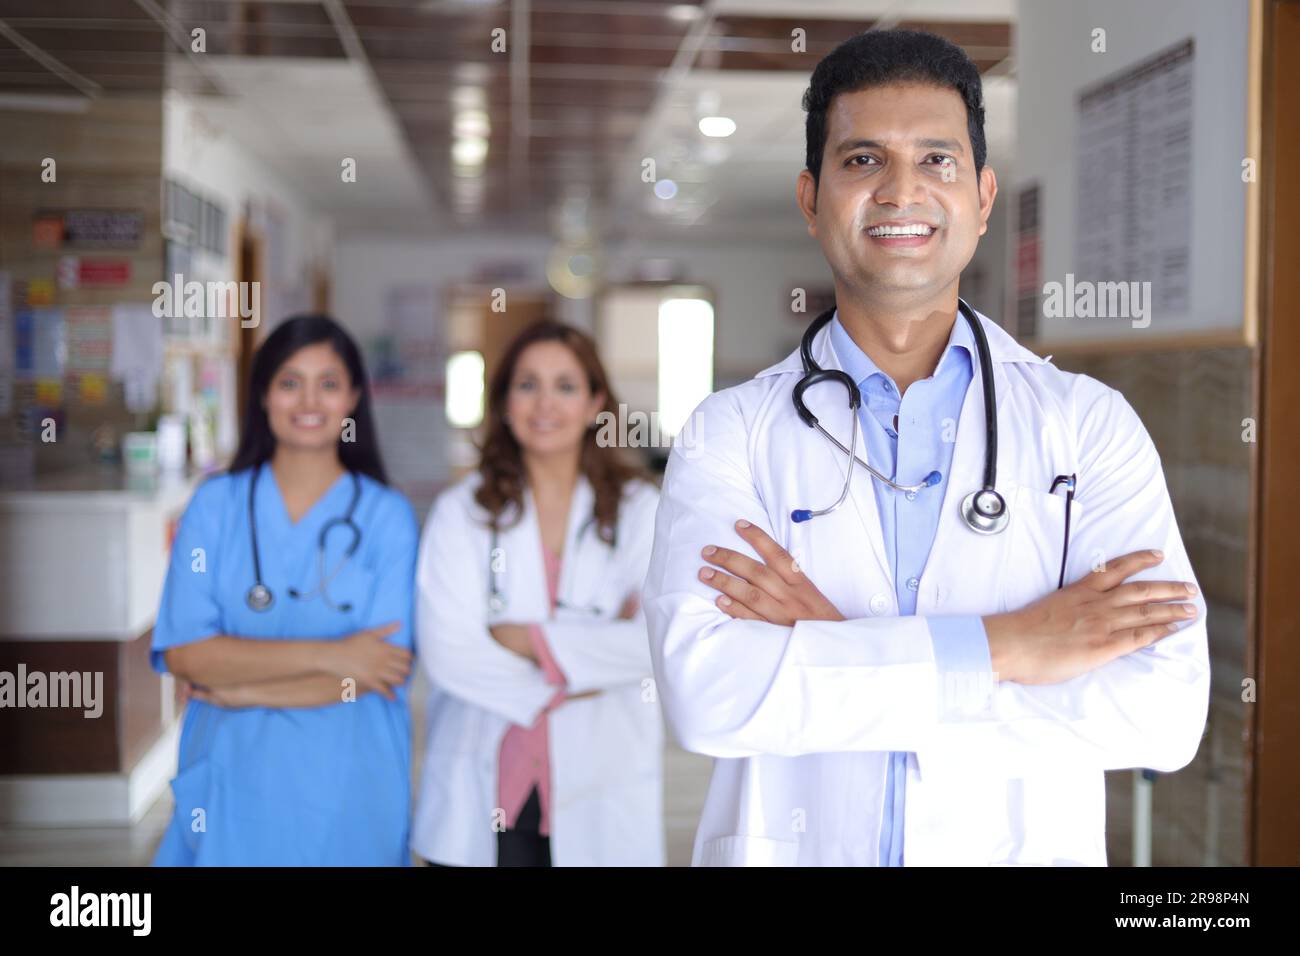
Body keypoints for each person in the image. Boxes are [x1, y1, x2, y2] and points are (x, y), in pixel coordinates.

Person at [642, 29, 1210, 867]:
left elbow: (1164, 712)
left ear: (983, 198)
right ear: (812, 198)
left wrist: (836, 650)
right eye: (863, 160)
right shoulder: (729, 433)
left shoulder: (1090, 426)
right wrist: (1013, 646)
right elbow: (708, 696)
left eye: (936, 160)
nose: (901, 190)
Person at [151, 314, 417, 866]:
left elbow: (380, 673)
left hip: (350, 779)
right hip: (234, 776)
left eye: (328, 382)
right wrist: (334, 654)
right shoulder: (214, 505)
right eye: (290, 382)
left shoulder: (387, 516)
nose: (308, 401)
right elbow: (186, 654)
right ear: (263, 396)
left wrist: (242, 687)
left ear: (353, 399)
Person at [414, 320, 663, 867]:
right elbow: (448, 652)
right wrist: (581, 671)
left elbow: (658, 643)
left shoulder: (641, 510)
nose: (545, 403)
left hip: (603, 784)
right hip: (485, 785)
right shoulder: (465, 511)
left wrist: (527, 640)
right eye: (527, 385)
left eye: (566, 386)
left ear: (596, 402)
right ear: (503, 401)